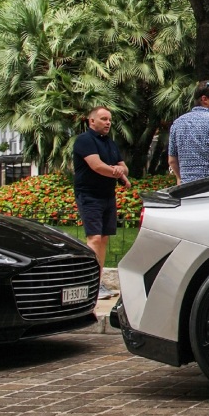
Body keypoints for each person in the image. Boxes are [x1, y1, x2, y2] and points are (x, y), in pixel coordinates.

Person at [73, 106, 132, 294]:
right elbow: (97, 166)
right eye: (104, 119)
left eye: (109, 120)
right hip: (89, 195)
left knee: (104, 239)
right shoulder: (84, 140)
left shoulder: (110, 143)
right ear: (92, 121)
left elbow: (124, 167)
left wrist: (120, 171)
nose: (108, 123)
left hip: (108, 196)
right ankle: (89, 283)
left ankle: (98, 283)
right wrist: (117, 172)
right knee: (94, 238)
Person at [167, 80, 209, 184]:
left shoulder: (177, 123)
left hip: (186, 190)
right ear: (204, 99)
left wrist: (183, 179)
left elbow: (172, 161)